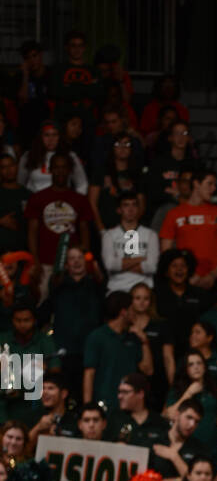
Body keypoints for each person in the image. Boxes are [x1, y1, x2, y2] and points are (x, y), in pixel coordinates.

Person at [24, 153, 94, 301]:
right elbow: (32, 232)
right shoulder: (38, 198)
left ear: (70, 170)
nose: (60, 171)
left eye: (64, 167)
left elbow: (85, 231)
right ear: (50, 170)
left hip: (72, 265)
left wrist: (84, 260)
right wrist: (35, 261)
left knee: (73, 304)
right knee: (42, 304)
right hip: (45, 263)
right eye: (56, 167)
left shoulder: (80, 199)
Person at [159, 165, 217, 292]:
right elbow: (166, 253)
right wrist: (187, 275)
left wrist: (212, 276)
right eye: (209, 184)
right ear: (196, 184)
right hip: (184, 280)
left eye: (214, 184)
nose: (213, 188)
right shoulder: (174, 214)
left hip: (215, 281)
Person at [82, 292, 154, 409]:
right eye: (132, 309)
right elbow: (89, 374)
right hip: (104, 403)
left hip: (129, 404)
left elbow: (148, 370)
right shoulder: (97, 336)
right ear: (123, 312)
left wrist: (145, 341)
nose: (135, 314)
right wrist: (88, 407)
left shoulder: (134, 338)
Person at [101, 192, 159, 292]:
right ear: (119, 210)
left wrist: (120, 265)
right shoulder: (109, 235)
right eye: (126, 205)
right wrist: (141, 259)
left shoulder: (151, 235)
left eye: (134, 205)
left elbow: (152, 267)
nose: (130, 209)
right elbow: (110, 265)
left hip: (144, 291)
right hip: (116, 289)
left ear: (138, 209)